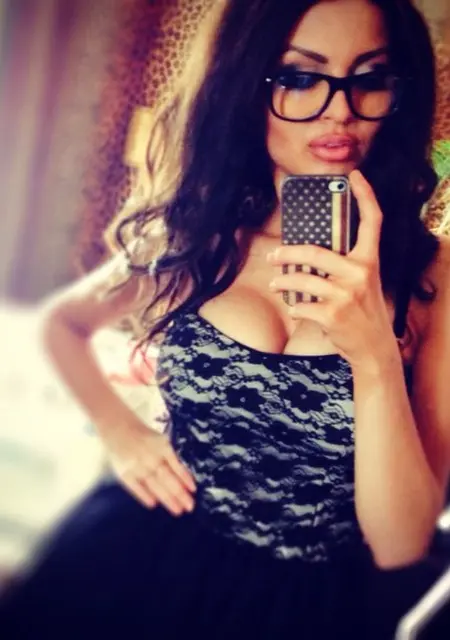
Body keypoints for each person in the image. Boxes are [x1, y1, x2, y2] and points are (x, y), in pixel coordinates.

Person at [1, 0, 450, 638]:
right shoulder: (201, 227)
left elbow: (402, 543)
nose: (340, 110)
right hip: (134, 559)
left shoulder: (435, 276)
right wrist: (123, 434)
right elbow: (62, 324)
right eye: (300, 77)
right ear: (245, 85)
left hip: (299, 609)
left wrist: (374, 352)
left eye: (369, 78)